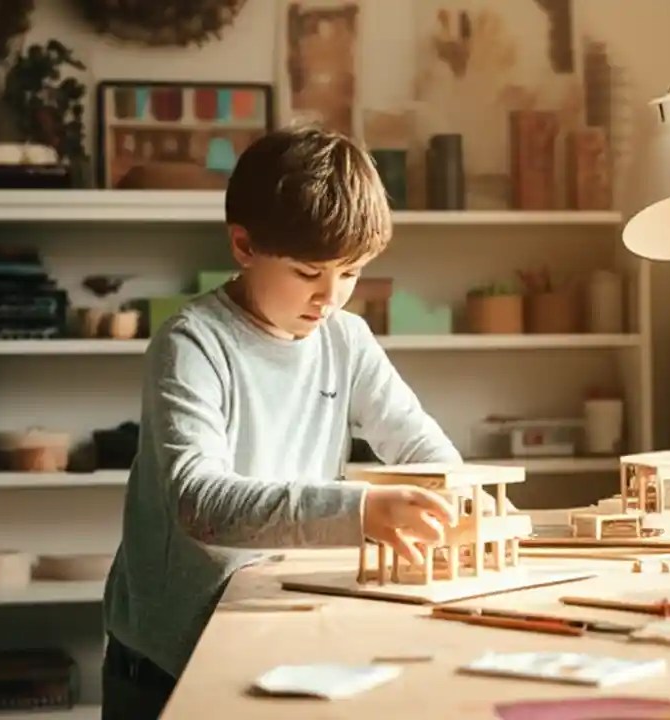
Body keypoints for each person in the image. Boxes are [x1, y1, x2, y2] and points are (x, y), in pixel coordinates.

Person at [101, 125, 468, 719]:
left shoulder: (345, 338)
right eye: (307, 272)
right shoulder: (193, 342)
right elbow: (200, 503)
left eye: (350, 274)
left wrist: (452, 498)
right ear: (244, 246)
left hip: (280, 624)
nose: (330, 298)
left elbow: (419, 443)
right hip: (168, 659)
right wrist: (363, 511)